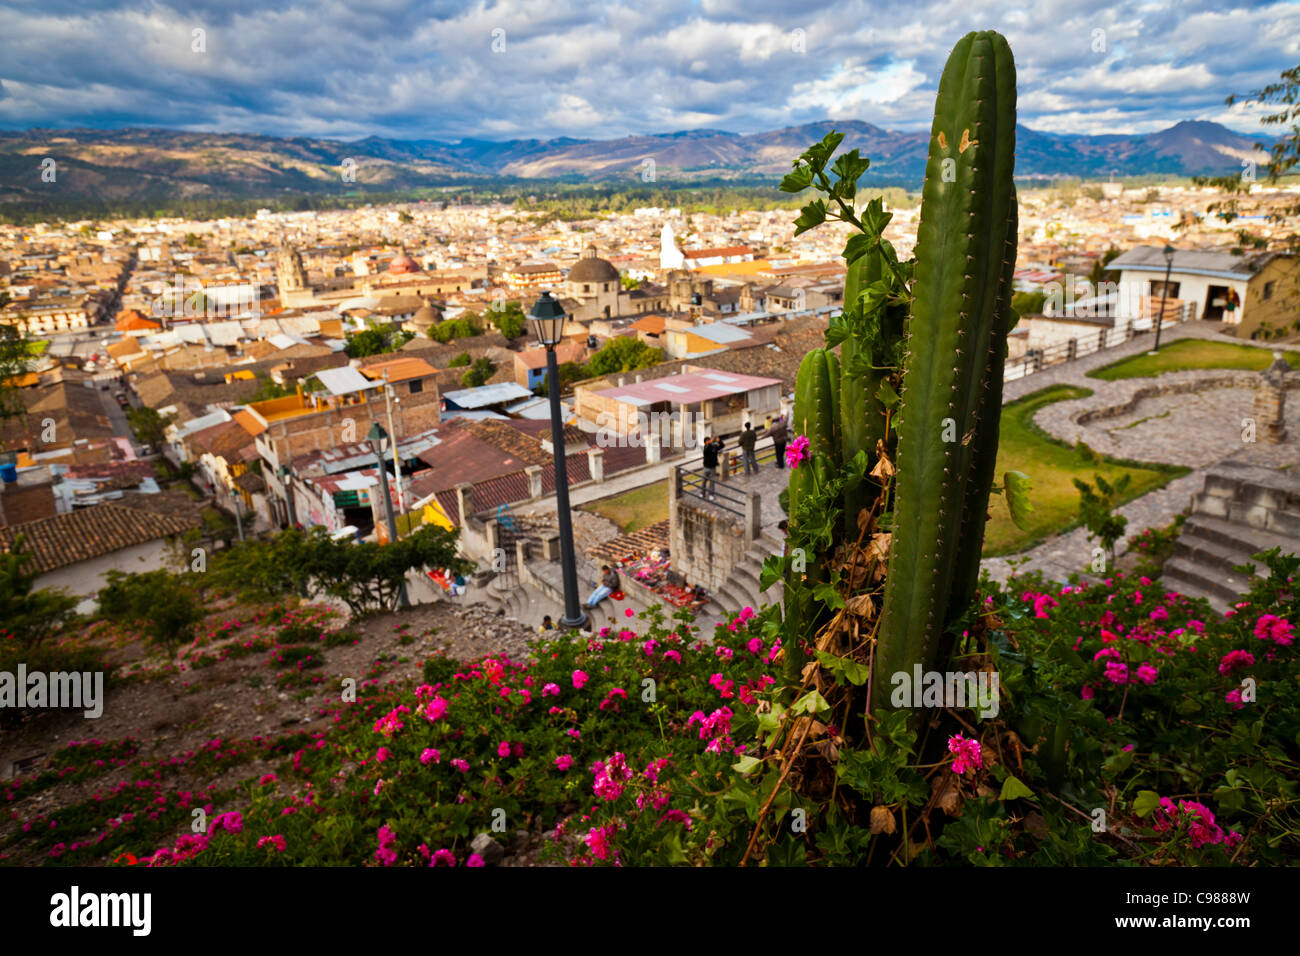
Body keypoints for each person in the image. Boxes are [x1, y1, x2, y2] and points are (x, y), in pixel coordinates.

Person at [701, 434, 723, 498]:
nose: (710, 441)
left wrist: (719, 441)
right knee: (703, 481)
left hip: (713, 467)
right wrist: (712, 442)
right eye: (709, 440)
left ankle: (711, 494)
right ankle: (702, 493)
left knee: (712, 482)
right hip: (706, 467)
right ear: (706, 442)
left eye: (710, 440)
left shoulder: (714, 446)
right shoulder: (705, 448)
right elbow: (708, 448)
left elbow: (722, 446)